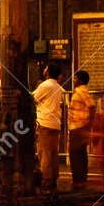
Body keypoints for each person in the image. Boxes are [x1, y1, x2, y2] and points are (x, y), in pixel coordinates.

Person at [33, 59, 67, 198]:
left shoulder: (45, 85)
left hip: (45, 122)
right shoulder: (58, 87)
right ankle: (53, 179)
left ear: (47, 72)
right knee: (53, 154)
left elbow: (33, 98)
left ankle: (46, 182)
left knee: (44, 154)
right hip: (55, 123)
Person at [68, 69, 95, 191]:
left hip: (78, 126)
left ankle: (79, 181)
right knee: (80, 153)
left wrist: (89, 124)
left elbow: (91, 106)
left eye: (75, 78)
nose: (73, 80)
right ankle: (81, 179)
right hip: (79, 126)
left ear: (79, 80)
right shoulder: (81, 91)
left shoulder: (80, 91)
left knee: (75, 154)